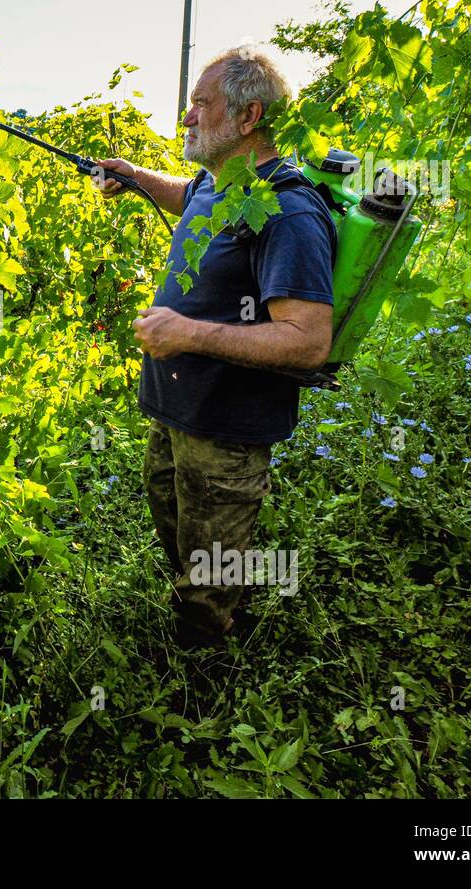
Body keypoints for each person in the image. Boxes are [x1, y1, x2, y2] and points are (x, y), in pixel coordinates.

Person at [95, 47, 336, 648]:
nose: (187, 117)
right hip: (179, 409)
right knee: (181, 535)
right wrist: (136, 178)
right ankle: (211, 615)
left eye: (202, 104)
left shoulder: (288, 209)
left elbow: (307, 341)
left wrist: (187, 333)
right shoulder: (220, 181)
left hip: (227, 429)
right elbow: (190, 198)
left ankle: (206, 674)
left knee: (209, 572)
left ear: (249, 115)